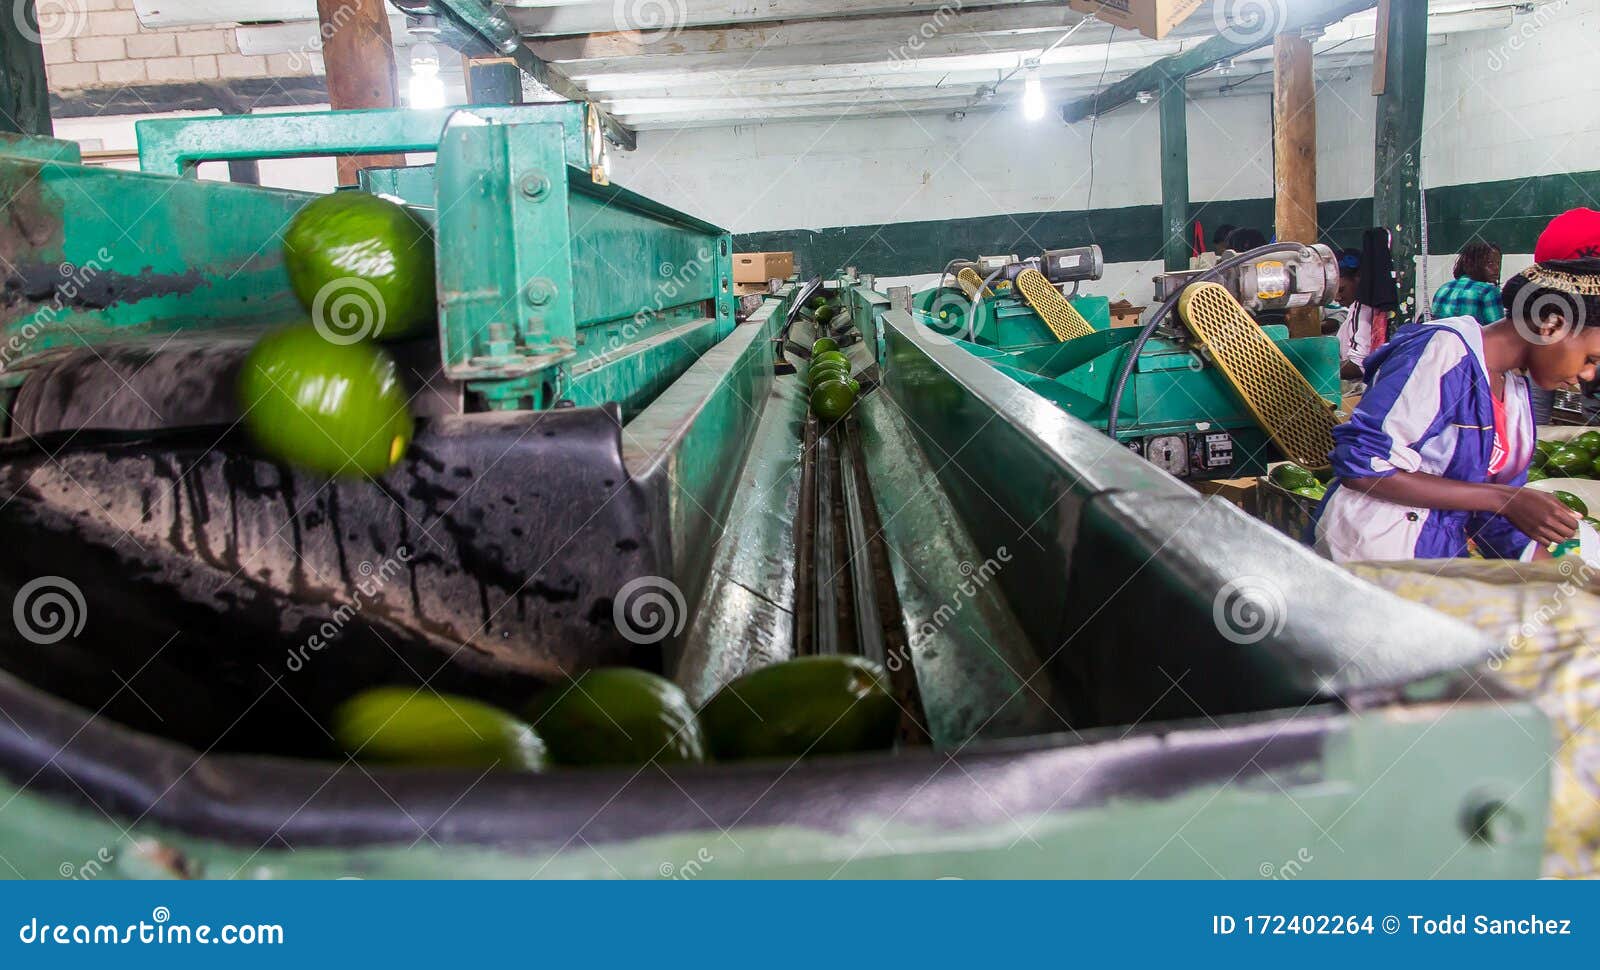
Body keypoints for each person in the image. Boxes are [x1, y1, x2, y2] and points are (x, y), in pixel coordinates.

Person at [1311, 210, 1600, 563]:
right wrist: (1503, 499)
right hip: (1370, 560)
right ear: (1551, 325)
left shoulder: (1515, 394)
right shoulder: (1443, 352)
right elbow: (1363, 464)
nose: (1588, 376)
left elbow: (1495, 518)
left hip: (1435, 562)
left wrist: (1567, 583)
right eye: (1591, 359)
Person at [1432, 240, 1505, 326]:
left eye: (1498, 263)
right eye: (1490, 263)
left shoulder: (1443, 289)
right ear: (1473, 263)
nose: (1497, 268)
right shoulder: (1488, 292)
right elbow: (1497, 332)